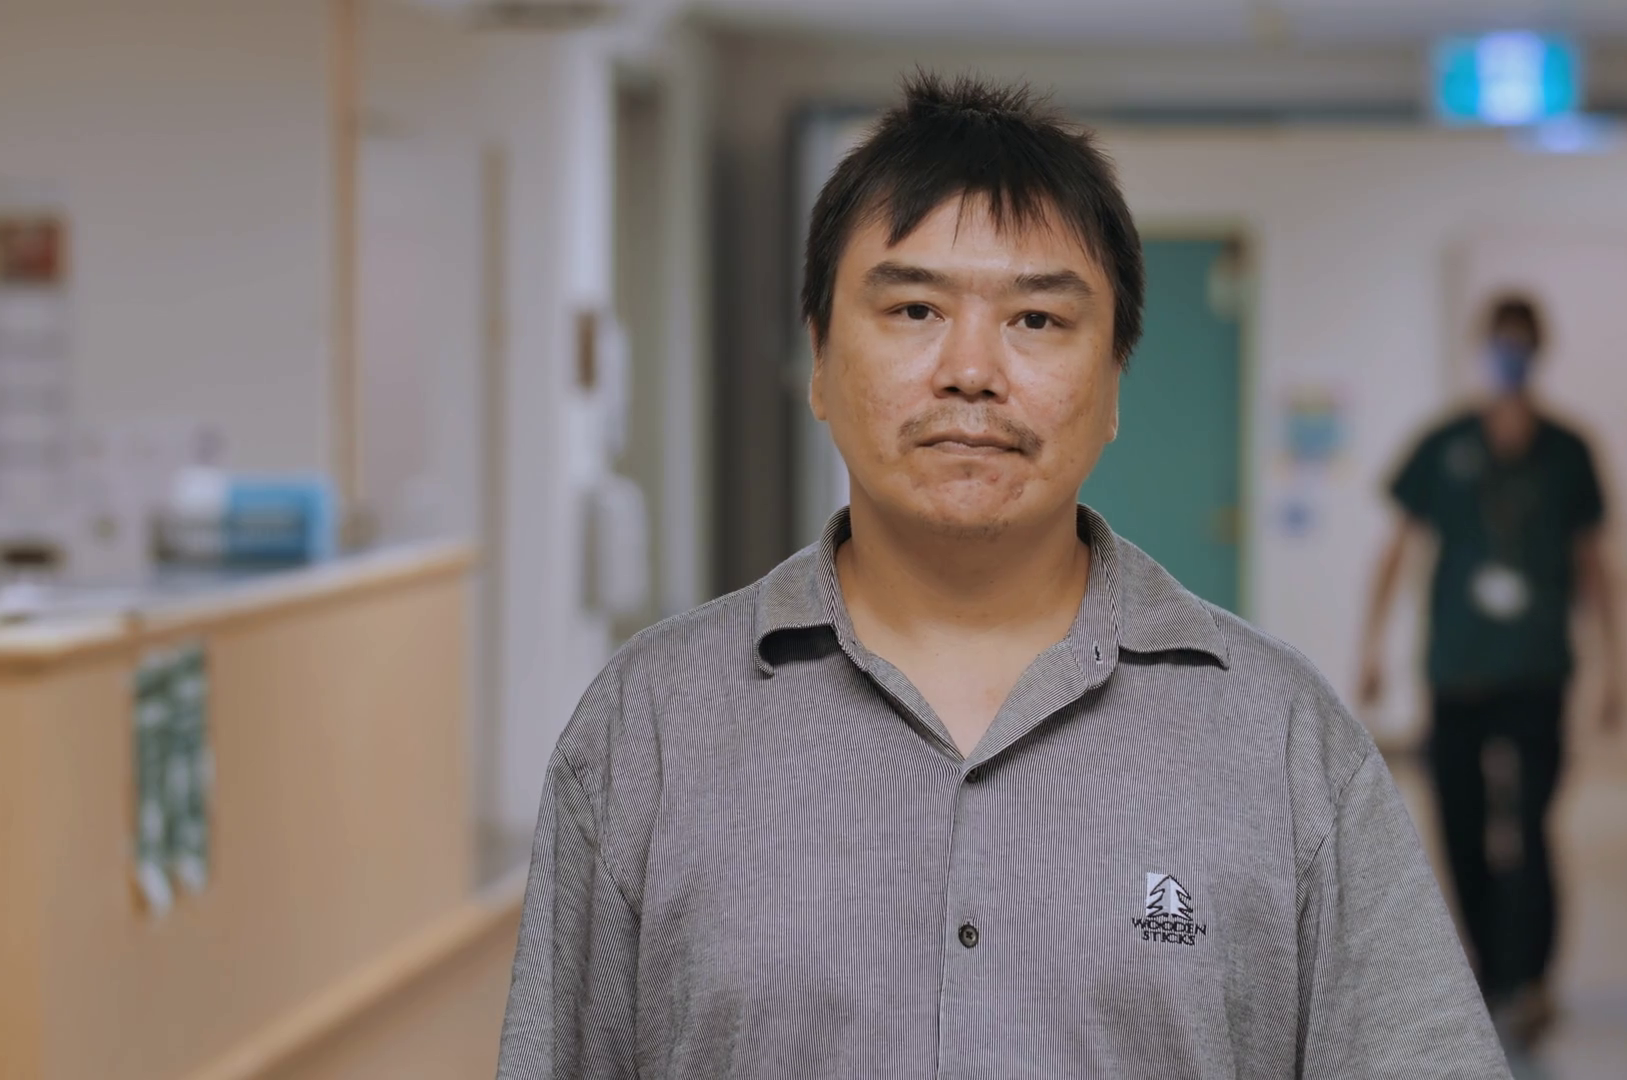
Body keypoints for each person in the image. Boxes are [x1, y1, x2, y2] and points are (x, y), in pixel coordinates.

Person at [497, 73, 1506, 1079]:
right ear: (817, 357)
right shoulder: (648, 730)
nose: (971, 370)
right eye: (915, 309)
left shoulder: (1284, 743)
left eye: (1036, 321)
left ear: (1113, 383)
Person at [1358, 294, 1625, 1049]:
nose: (1510, 357)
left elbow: (1593, 565)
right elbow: (1397, 549)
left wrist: (1616, 674)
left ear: (1538, 352)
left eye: (1522, 345)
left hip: (1538, 673)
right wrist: (1371, 648)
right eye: (1500, 344)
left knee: (1533, 826)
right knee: (1463, 825)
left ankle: (1530, 980)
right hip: (1459, 672)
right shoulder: (1444, 445)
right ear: (1483, 349)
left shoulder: (1569, 451)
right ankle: (1482, 970)